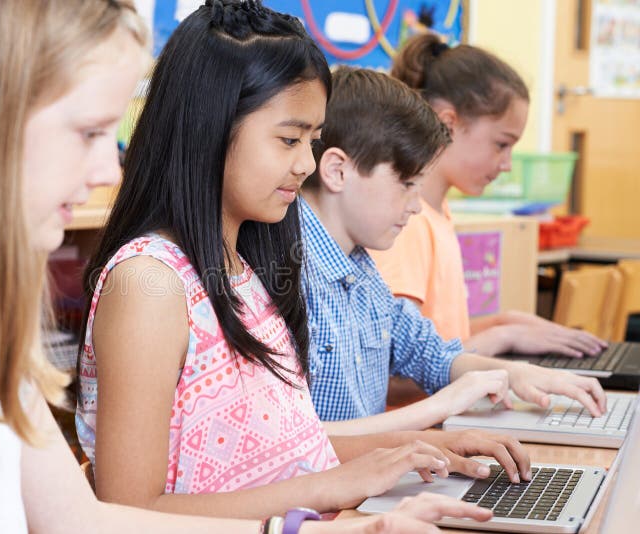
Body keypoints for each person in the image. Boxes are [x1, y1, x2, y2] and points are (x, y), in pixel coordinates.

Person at [0, 1, 476, 532]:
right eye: (89, 132)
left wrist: (331, 522)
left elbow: (80, 519)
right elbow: (123, 505)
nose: (107, 170)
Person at [76, 0, 530, 521]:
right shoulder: (147, 284)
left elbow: (287, 453)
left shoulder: (246, 268)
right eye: (290, 139)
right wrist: (331, 486)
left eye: (312, 141)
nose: (306, 164)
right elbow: (130, 511)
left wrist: (420, 448)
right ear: (209, 127)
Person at [299, 65, 606, 442]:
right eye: (406, 184)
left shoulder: (361, 270)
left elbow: (430, 354)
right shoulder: (288, 279)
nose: (416, 206)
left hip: (374, 469)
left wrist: (515, 373)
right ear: (337, 172)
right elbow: (299, 443)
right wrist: (442, 406)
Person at [369, 33, 607, 359]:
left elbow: (443, 337)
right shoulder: (409, 222)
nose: (507, 164)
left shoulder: (437, 211)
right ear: (448, 124)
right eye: (501, 144)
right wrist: (504, 336)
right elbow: (396, 365)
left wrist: (506, 322)